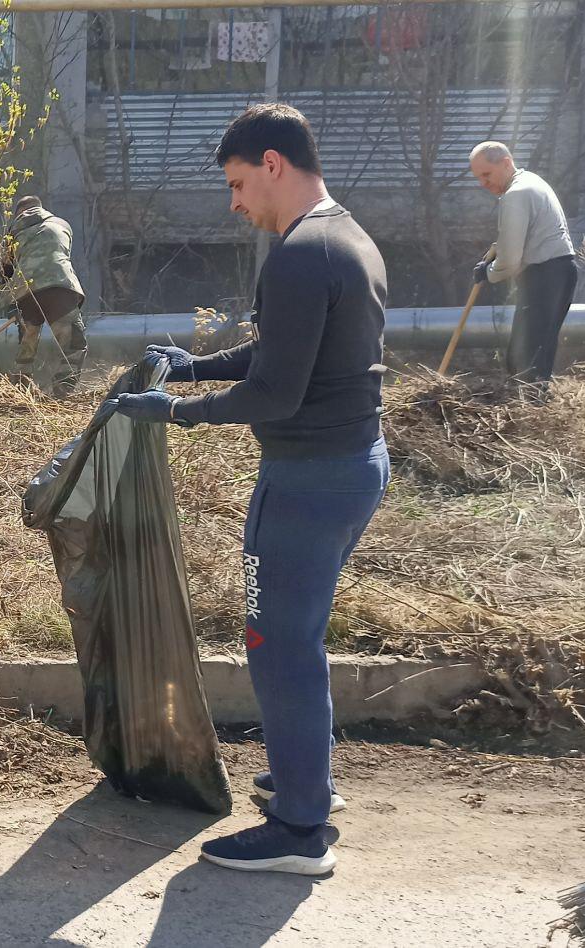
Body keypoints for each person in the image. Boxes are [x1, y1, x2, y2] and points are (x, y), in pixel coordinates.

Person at [114, 104, 389, 876]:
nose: (235, 203)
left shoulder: (302, 256)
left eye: (238, 184)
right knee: (300, 641)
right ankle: (308, 783)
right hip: (352, 467)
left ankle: (300, 831)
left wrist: (176, 412)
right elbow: (284, 354)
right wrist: (197, 366)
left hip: (305, 483)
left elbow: (275, 395)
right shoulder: (347, 237)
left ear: (273, 163)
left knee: (276, 645)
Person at [469, 141, 577, 393]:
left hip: (545, 274)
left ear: (506, 163)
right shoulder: (532, 182)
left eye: (486, 174)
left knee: (525, 356)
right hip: (560, 271)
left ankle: (530, 416)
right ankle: (535, 407)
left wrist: (489, 271)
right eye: (478, 177)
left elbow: (510, 259)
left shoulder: (516, 194)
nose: (483, 183)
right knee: (537, 351)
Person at [0, 195, 88, 395]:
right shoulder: (61, 224)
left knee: (26, 348)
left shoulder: (12, 233)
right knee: (72, 345)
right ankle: (61, 391)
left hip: (25, 293)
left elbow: (6, 272)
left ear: (18, 214)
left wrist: (8, 301)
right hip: (59, 289)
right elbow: (62, 255)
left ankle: (20, 392)